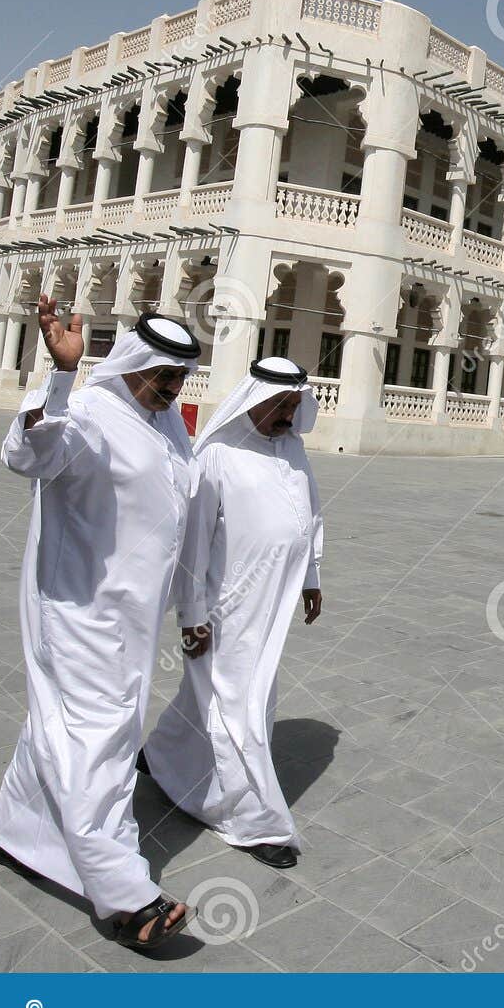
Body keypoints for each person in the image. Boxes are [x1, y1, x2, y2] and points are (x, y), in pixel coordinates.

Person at [0, 297, 199, 951]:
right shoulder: (89, 411)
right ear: (134, 362)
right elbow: (29, 453)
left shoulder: (166, 426)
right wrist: (63, 375)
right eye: (164, 374)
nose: (172, 387)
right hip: (77, 611)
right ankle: (127, 895)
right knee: (100, 738)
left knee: (66, 725)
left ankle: (9, 828)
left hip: (130, 620)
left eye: (181, 377)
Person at [142, 356, 323, 870]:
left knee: (218, 696)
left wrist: (310, 576)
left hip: (276, 600)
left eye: (293, 405)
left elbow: (309, 515)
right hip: (227, 607)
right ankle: (254, 820)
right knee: (238, 706)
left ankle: (160, 756)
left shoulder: (294, 452)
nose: (286, 415)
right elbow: (192, 543)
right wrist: (191, 613)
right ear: (252, 401)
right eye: (277, 405)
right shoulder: (218, 455)